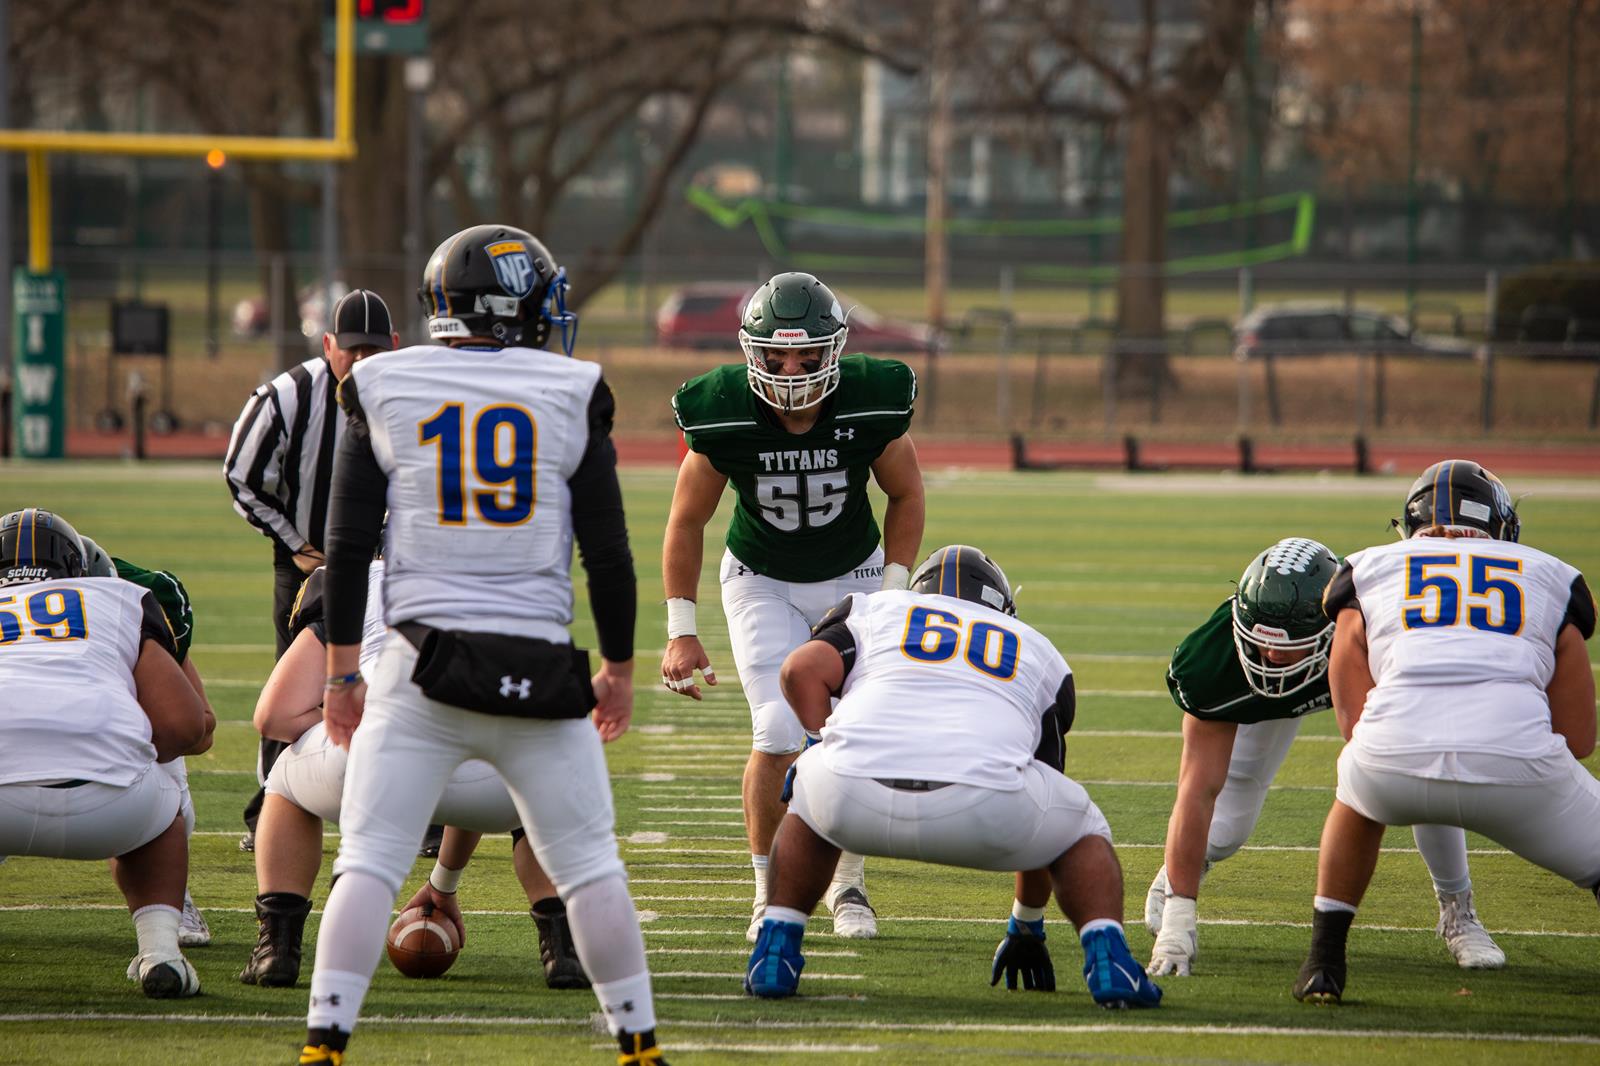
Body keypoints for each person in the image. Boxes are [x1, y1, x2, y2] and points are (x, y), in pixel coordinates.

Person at [296, 224, 666, 1066]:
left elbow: (346, 545)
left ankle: (326, 1045)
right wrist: (616, 668)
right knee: (592, 869)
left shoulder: (383, 382)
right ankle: (639, 1048)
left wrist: (342, 676)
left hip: (418, 673)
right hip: (537, 675)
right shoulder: (572, 390)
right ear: (522, 304)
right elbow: (607, 553)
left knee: (369, 863)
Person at [745, 544, 1162, 1010]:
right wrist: (1026, 926)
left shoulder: (877, 608)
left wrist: (825, 745)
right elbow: (1041, 782)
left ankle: (776, 950)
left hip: (854, 797)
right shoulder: (1035, 648)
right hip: (984, 808)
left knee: (810, 793)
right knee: (1081, 829)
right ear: (1002, 607)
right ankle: (1110, 963)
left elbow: (798, 670)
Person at [661, 271, 925, 942]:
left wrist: (892, 588)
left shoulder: (871, 399)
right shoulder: (722, 408)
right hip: (762, 578)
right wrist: (680, 629)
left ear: (833, 350)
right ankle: (768, 893)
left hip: (856, 575)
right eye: (774, 356)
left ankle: (848, 884)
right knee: (779, 733)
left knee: (853, 730)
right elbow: (686, 520)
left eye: (806, 355)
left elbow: (907, 492)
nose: (790, 370)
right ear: (750, 352)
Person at [1293, 459, 1597, 1004]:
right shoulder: (1552, 575)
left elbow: (1352, 719)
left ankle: (1324, 961)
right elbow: (1578, 738)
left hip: (1392, 762)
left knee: (1359, 789)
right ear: (1501, 526)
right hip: (1519, 768)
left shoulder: (1369, 569)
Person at [1145, 537, 1504, 977]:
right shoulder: (1217, 661)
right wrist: (1180, 922)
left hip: (1352, 675)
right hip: (1258, 700)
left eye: (1286, 645)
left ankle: (1458, 912)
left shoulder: (1373, 636)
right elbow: (1196, 791)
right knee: (1227, 827)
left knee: (1418, 767)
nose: (1271, 657)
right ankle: (1177, 882)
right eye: (1259, 642)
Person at [241, 561, 587, 991]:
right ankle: (564, 949)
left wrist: (348, 722)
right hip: (493, 780)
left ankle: (277, 947)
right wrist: (443, 884)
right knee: (529, 773)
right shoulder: (514, 579)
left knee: (285, 781)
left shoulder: (349, 579)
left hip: (372, 756)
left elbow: (274, 716)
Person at [0, 508, 213, 997]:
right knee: (162, 781)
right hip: (108, 809)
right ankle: (162, 949)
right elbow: (187, 726)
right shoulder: (119, 596)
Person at [224, 288, 401, 852]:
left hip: (393, 568)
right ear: (329, 347)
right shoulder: (287, 395)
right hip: (313, 559)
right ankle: (273, 799)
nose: (364, 360)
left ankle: (417, 802)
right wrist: (295, 543)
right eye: (353, 351)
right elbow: (242, 475)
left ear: (396, 346)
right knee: (293, 679)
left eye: (376, 349)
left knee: (402, 665)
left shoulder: (419, 397)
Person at [80, 536, 219, 949]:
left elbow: (196, 727)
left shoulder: (131, 597)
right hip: (109, 793)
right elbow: (196, 729)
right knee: (163, 776)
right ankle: (160, 941)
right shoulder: (135, 596)